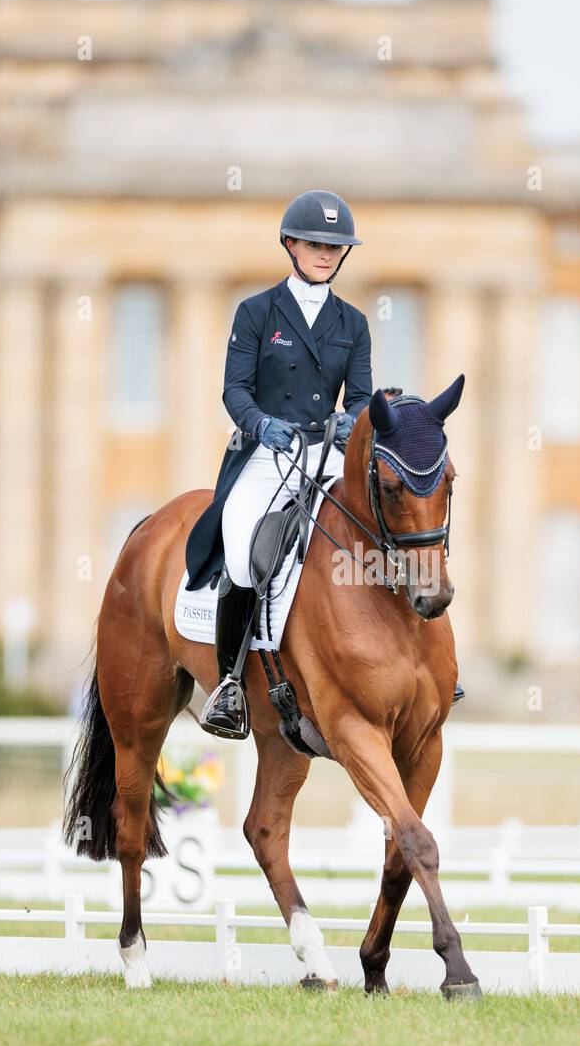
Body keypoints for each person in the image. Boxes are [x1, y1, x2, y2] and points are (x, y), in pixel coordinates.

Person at [188, 188, 464, 738]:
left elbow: (360, 398)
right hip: (266, 455)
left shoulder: (353, 323)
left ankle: (425, 663)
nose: (325, 254)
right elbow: (234, 390)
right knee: (245, 554)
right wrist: (263, 425)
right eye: (315, 243)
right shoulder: (256, 311)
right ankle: (230, 686)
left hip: (329, 455)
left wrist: (349, 422)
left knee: (391, 524)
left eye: (336, 247)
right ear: (290, 244)